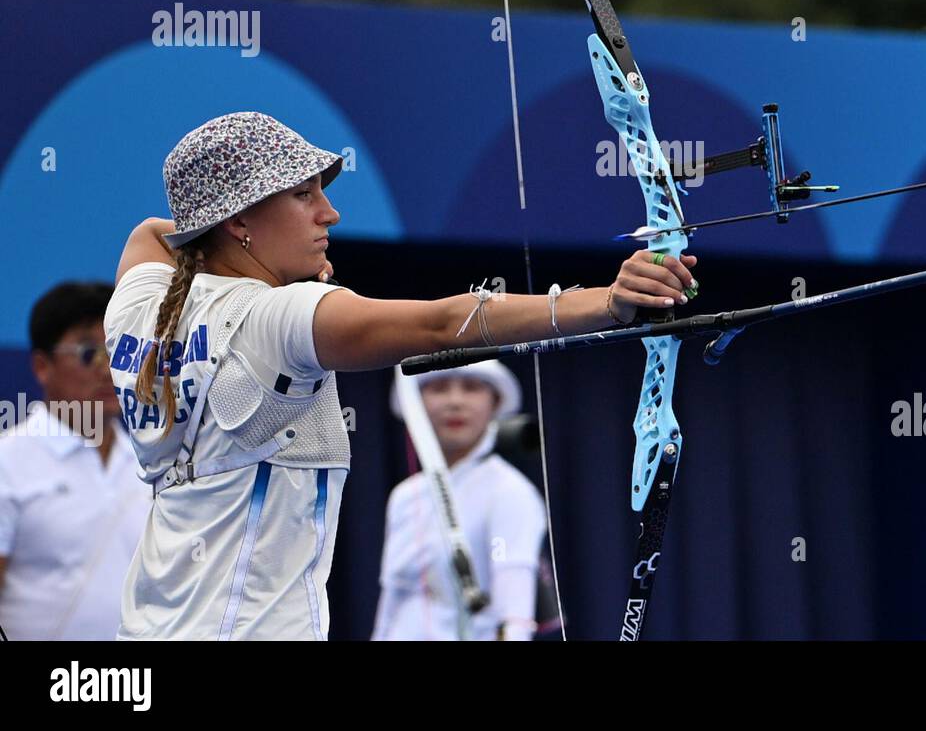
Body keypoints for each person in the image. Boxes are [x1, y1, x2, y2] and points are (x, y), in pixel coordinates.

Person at [106, 111, 696, 640]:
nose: (328, 212)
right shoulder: (277, 317)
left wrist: (258, 255)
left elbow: (153, 233)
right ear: (238, 221)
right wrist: (607, 302)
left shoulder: (140, 303)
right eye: (302, 195)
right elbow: (444, 325)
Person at [0, 282, 151, 640]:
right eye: (88, 352)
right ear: (41, 366)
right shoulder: (7, 461)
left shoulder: (156, 466)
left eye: (118, 350)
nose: (107, 370)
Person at [374, 360, 545, 640]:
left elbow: (514, 616)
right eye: (439, 388)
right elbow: (392, 604)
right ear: (415, 404)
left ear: (495, 401)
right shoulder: (405, 497)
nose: (455, 402)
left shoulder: (508, 492)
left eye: (471, 388)